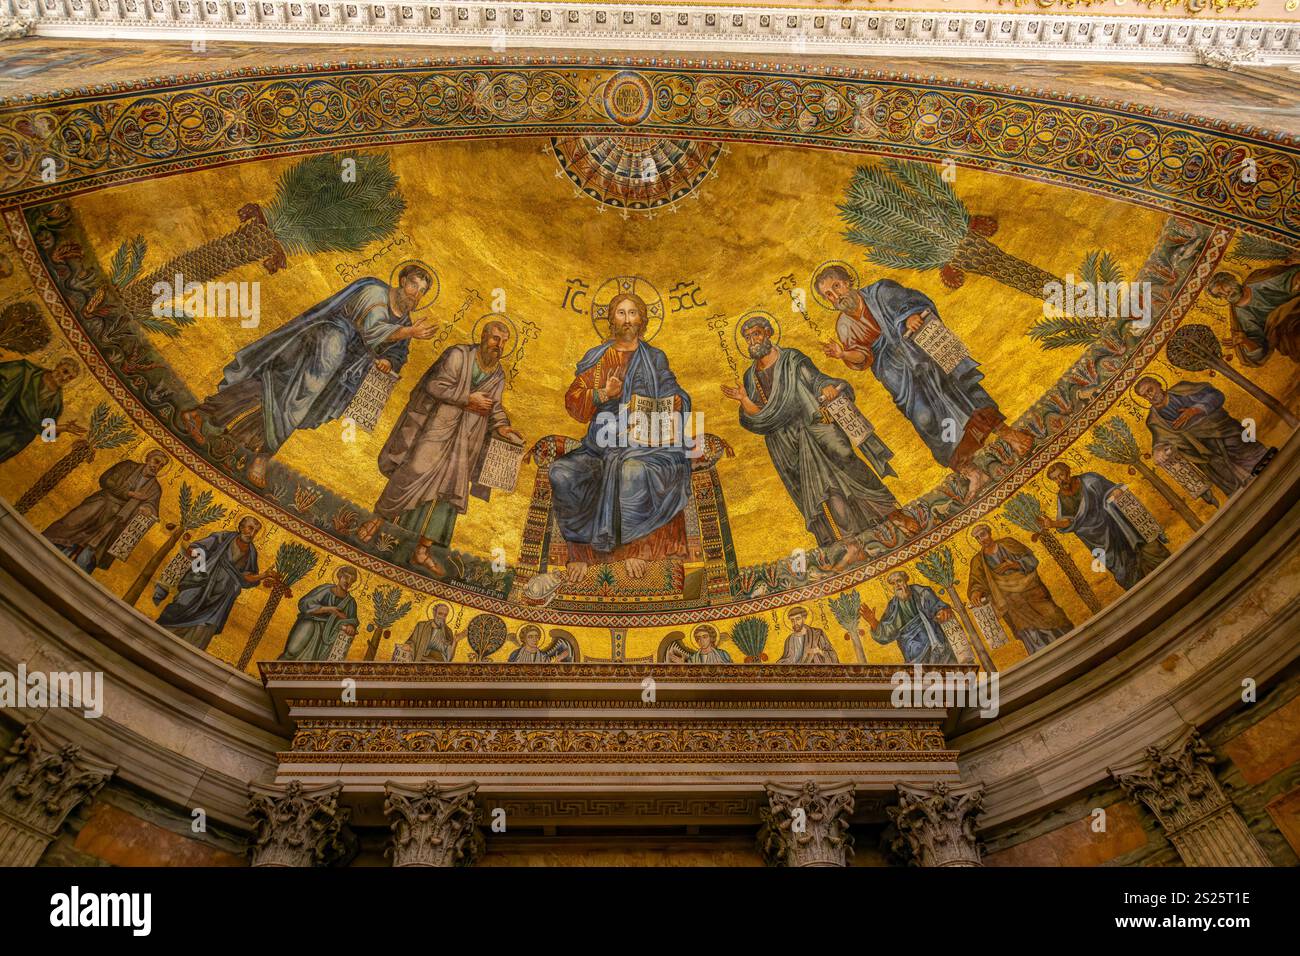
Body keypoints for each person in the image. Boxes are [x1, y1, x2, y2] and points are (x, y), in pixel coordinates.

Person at [179, 265, 437, 487]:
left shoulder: (406, 320)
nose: (416, 294)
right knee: (296, 395)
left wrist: (387, 360)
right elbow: (372, 330)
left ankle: (218, 426)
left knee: (294, 399)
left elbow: (399, 354)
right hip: (325, 344)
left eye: (422, 291)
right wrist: (409, 333)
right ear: (403, 281)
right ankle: (254, 450)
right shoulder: (375, 292)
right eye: (414, 285)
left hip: (345, 370)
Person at [815, 265, 1031, 491]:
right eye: (828, 295)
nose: (836, 296)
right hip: (898, 377)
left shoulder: (880, 291)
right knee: (926, 419)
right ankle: (973, 473)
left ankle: (1010, 435)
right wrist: (842, 354)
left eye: (836, 287)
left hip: (920, 354)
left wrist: (909, 316)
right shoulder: (844, 326)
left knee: (957, 392)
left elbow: (911, 302)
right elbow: (863, 357)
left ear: (848, 281)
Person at [357, 322, 522, 575]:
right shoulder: (458, 355)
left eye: (503, 342)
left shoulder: (498, 374)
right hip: (439, 426)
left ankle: (422, 551)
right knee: (412, 471)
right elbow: (435, 386)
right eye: (495, 339)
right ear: (483, 336)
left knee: (448, 495)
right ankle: (378, 519)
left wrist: (503, 427)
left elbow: (495, 407)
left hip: (467, 439)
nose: (498, 345)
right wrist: (467, 399)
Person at [549, 291, 692, 581]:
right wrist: (603, 393)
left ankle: (635, 549)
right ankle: (580, 552)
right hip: (600, 445)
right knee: (562, 473)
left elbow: (675, 393)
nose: (627, 320)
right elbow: (573, 400)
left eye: (633, 313)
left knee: (633, 471)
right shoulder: (598, 358)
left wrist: (675, 401)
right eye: (621, 313)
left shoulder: (654, 357)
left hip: (646, 444)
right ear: (611, 319)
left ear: (642, 320)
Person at [722, 313, 897, 546]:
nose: (752, 340)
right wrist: (744, 399)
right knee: (823, 490)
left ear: (768, 334)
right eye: (747, 337)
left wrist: (827, 387)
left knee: (845, 457)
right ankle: (847, 542)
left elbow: (815, 380)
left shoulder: (791, 359)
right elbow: (758, 415)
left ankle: (890, 511)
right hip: (785, 442)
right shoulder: (750, 376)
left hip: (815, 424)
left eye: (756, 333)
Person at [1038, 462, 1169, 590]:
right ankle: (1142, 592)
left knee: (1148, 550)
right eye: (1055, 479)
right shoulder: (1063, 497)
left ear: (1068, 471)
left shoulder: (1090, 480)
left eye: (1060, 475)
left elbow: (1111, 489)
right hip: (1098, 539)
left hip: (1117, 523)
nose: (1059, 480)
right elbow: (1069, 521)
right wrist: (1054, 523)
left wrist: (1114, 491)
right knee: (1123, 570)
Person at [1135, 376, 1270, 500]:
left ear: (1159, 384)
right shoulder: (1154, 420)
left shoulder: (1182, 389)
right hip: (1203, 453)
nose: (1150, 395)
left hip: (1222, 430)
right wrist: (1158, 450)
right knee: (1232, 482)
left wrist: (1196, 409)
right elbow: (1160, 439)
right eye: (1145, 395)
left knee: (1253, 457)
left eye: (1150, 390)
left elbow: (1216, 395)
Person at [155, 515, 274, 650]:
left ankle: (188, 654)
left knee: (205, 626)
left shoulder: (251, 553)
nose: (252, 534)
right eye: (250, 528)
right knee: (181, 606)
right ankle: (158, 639)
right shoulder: (223, 537)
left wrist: (264, 575)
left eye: (255, 531)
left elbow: (246, 578)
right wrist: (195, 553)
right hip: (201, 583)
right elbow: (198, 548)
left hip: (221, 599)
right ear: (241, 527)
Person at [44, 449, 168, 573]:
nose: (156, 467)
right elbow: (106, 479)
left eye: (161, 466)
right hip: (101, 504)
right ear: (148, 458)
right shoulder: (127, 466)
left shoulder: (155, 488)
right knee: (72, 526)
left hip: (118, 520)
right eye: (156, 461)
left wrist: (147, 509)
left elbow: (152, 506)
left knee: (93, 549)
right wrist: (129, 493)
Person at [966, 524, 1072, 655]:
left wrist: (1016, 565)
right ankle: (1041, 655)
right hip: (1012, 604)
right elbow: (977, 581)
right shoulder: (977, 561)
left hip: (1033, 592)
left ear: (989, 532)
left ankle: (1068, 644)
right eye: (977, 538)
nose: (981, 539)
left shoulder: (1008, 543)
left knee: (1052, 615)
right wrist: (975, 592)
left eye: (983, 534)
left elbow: (1032, 560)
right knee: (1028, 631)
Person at [1206, 268, 1300, 366]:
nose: (1226, 293)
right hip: (1288, 335)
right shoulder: (1241, 315)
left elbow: (1289, 278)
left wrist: (1296, 281)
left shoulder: (1259, 283)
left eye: (1224, 287)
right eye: (1220, 294)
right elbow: (1260, 351)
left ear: (1232, 280)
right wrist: (1245, 341)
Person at [862, 570, 958, 664]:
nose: (897, 585)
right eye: (893, 583)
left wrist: (942, 610)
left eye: (899, 581)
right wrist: (873, 621)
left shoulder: (922, 592)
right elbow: (887, 633)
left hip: (934, 639)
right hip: (912, 652)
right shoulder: (893, 606)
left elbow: (936, 606)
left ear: (905, 581)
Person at [0, 357, 83, 463]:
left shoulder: (56, 404)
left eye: (69, 378)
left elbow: (45, 433)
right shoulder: (27, 372)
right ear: (58, 366)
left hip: (12, 438)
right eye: (65, 371)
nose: (64, 377)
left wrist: (64, 428)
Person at [279, 566, 359, 661]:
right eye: (346, 577)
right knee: (292, 650)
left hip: (330, 635)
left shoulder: (350, 602)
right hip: (310, 623)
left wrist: (351, 626)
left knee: (314, 664)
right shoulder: (325, 589)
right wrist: (329, 609)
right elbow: (304, 604)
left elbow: (352, 620)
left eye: (351, 580)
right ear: (339, 576)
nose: (347, 582)